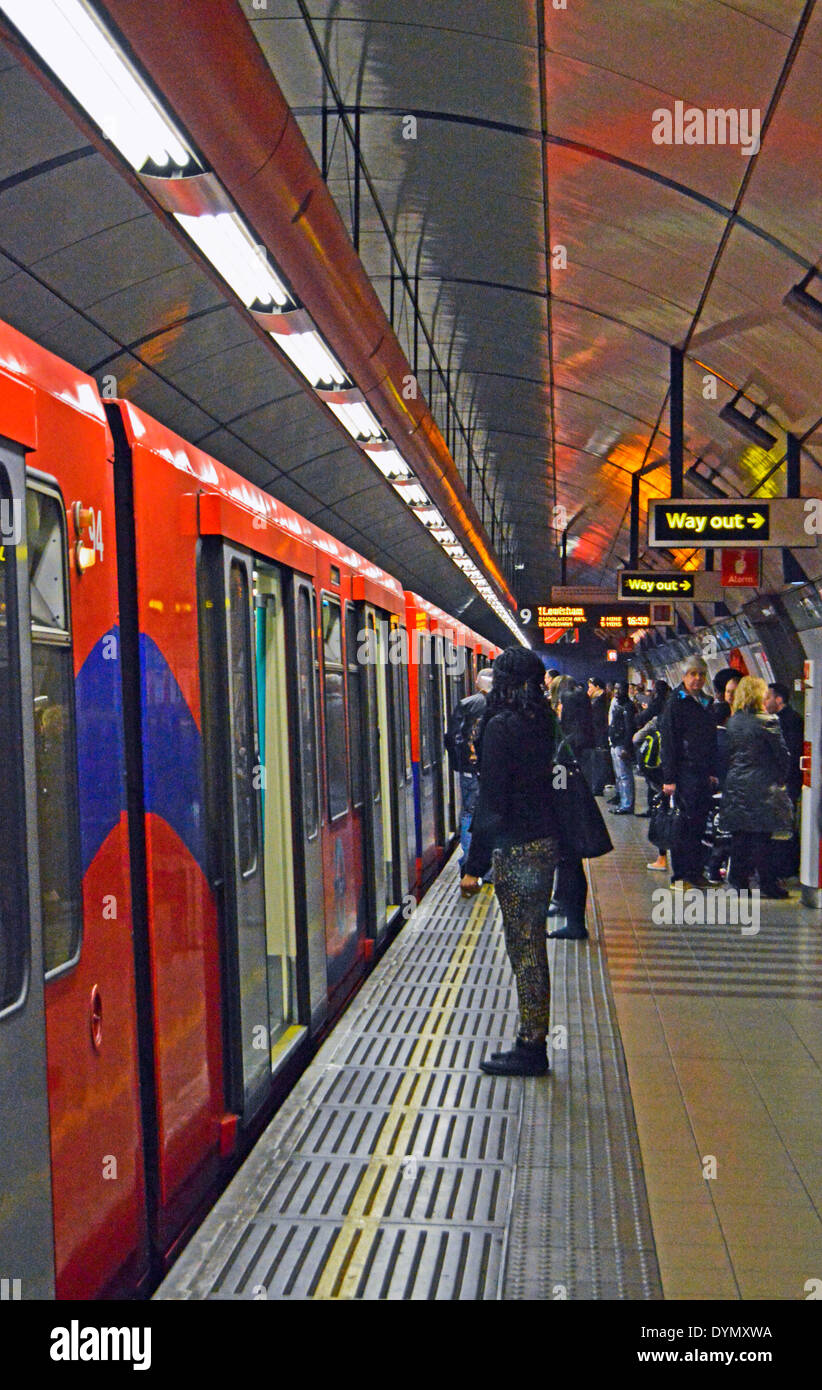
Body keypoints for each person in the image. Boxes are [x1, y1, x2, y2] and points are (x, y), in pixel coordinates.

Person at [460, 648, 561, 1076]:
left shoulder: (501, 727)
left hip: (517, 850)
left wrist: (473, 865)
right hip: (546, 843)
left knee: (524, 949)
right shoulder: (545, 722)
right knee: (532, 944)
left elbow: (491, 802)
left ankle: (531, 1046)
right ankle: (531, 1039)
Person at [720, 677, 790, 898]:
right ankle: (768, 884)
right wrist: (781, 778)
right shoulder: (768, 721)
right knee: (762, 837)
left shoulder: (733, 722)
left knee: (740, 836)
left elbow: (726, 754)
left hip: (735, 784)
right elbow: (782, 755)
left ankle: (738, 881)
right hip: (761, 785)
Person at [659, 655, 718, 885]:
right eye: (692, 674)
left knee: (699, 823)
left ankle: (695, 871)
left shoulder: (705, 702)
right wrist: (669, 778)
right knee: (683, 823)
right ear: (683, 676)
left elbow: (710, 739)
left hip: (702, 772)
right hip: (684, 772)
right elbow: (669, 742)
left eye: (701, 674)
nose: (697, 679)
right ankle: (681, 873)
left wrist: (712, 770)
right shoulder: (676, 702)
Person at [548, 676, 592, 940]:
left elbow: (559, 780)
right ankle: (568, 910)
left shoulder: (567, 745)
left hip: (569, 812)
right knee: (570, 863)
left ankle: (575, 923)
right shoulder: (578, 740)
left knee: (570, 862)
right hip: (576, 809)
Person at [445, 667, 494, 871]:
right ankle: (489, 867)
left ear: (478, 683)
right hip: (491, 770)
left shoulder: (466, 704)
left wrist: (459, 764)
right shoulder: (502, 706)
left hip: (469, 770)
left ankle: (468, 862)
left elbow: (452, 737)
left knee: (468, 813)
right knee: (490, 813)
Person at [764, 682, 803, 879]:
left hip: (786, 782)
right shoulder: (776, 719)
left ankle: (785, 867)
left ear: (779, 699)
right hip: (778, 781)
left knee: (784, 826)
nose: (764, 701)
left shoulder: (790, 721)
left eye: (768, 697)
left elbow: (791, 753)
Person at [608, 680, 636, 814]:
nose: (616, 692)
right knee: (619, 775)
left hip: (621, 743)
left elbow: (630, 728)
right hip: (615, 742)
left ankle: (627, 804)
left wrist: (626, 746)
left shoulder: (628, 706)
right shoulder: (617, 704)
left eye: (619, 689)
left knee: (625, 775)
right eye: (615, 689)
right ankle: (622, 800)